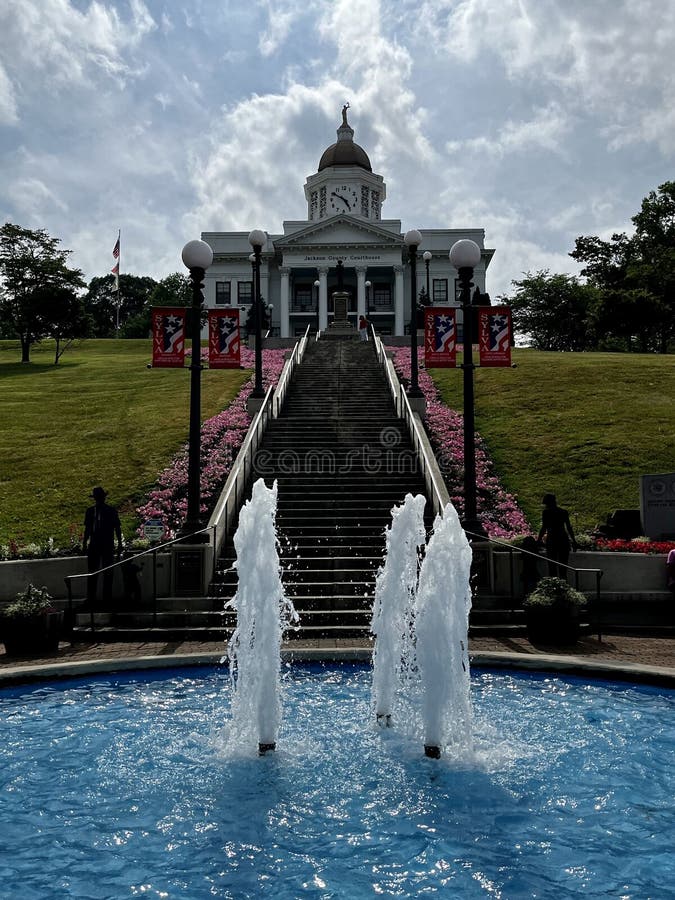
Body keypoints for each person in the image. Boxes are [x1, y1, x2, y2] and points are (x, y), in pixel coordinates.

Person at [82, 486, 122, 606]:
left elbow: (117, 527)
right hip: (95, 544)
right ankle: (91, 598)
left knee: (108, 571)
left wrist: (119, 542)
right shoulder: (90, 511)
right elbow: (88, 529)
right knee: (92, 572)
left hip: (106, 544)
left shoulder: (111, 510)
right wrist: (84, 543)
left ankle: (107, 599)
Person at [537, 493, 577, 578]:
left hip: (552, 540)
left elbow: (544, 527)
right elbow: (569, 528)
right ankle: (563, 587)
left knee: (552, 568)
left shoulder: (546, 512)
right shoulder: (563, 512)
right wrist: (574, 540)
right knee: (563, 568)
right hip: (563, 540)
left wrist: (538, 540)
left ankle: (554, 588)